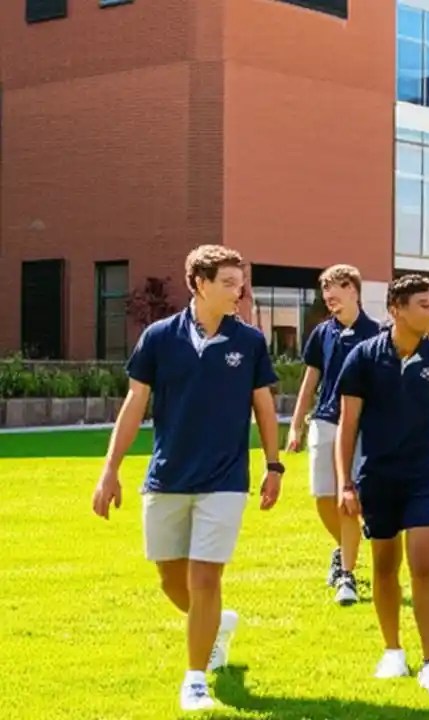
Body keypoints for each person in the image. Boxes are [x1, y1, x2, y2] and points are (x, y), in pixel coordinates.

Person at [91, 244, 283, 712]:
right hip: (167, 476)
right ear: (200, 283)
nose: (239, 293)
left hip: (225, 479)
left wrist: (273, 465)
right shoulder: (159, 337)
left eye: (241, 284)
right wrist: (110, 469)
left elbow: (263, 407)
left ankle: (195, 679)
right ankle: (219, 623)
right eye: (229, 283)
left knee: (204, 580)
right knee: (169, 578)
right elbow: (135, 404)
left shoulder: (250, 342)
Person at [335, 274, 429, 697]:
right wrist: (345, 484)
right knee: (385, 567)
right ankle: (392, 650)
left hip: (426, 475)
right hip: (378, 477)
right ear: (397, 309)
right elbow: (347, 425)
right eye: (425, 304)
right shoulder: (362, 358)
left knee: (424, 561)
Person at [286, 264, 380, 606]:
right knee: (322, 498)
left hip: (361, 427)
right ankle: (345, 548)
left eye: (335, 293)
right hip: (324, 422)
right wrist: (296, 425)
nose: (330, 300)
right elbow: (310, 381)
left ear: (353, 290)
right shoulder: (322, 333)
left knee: (347, 499)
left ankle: (347, 576)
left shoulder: (376, 334)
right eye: (326, 295)